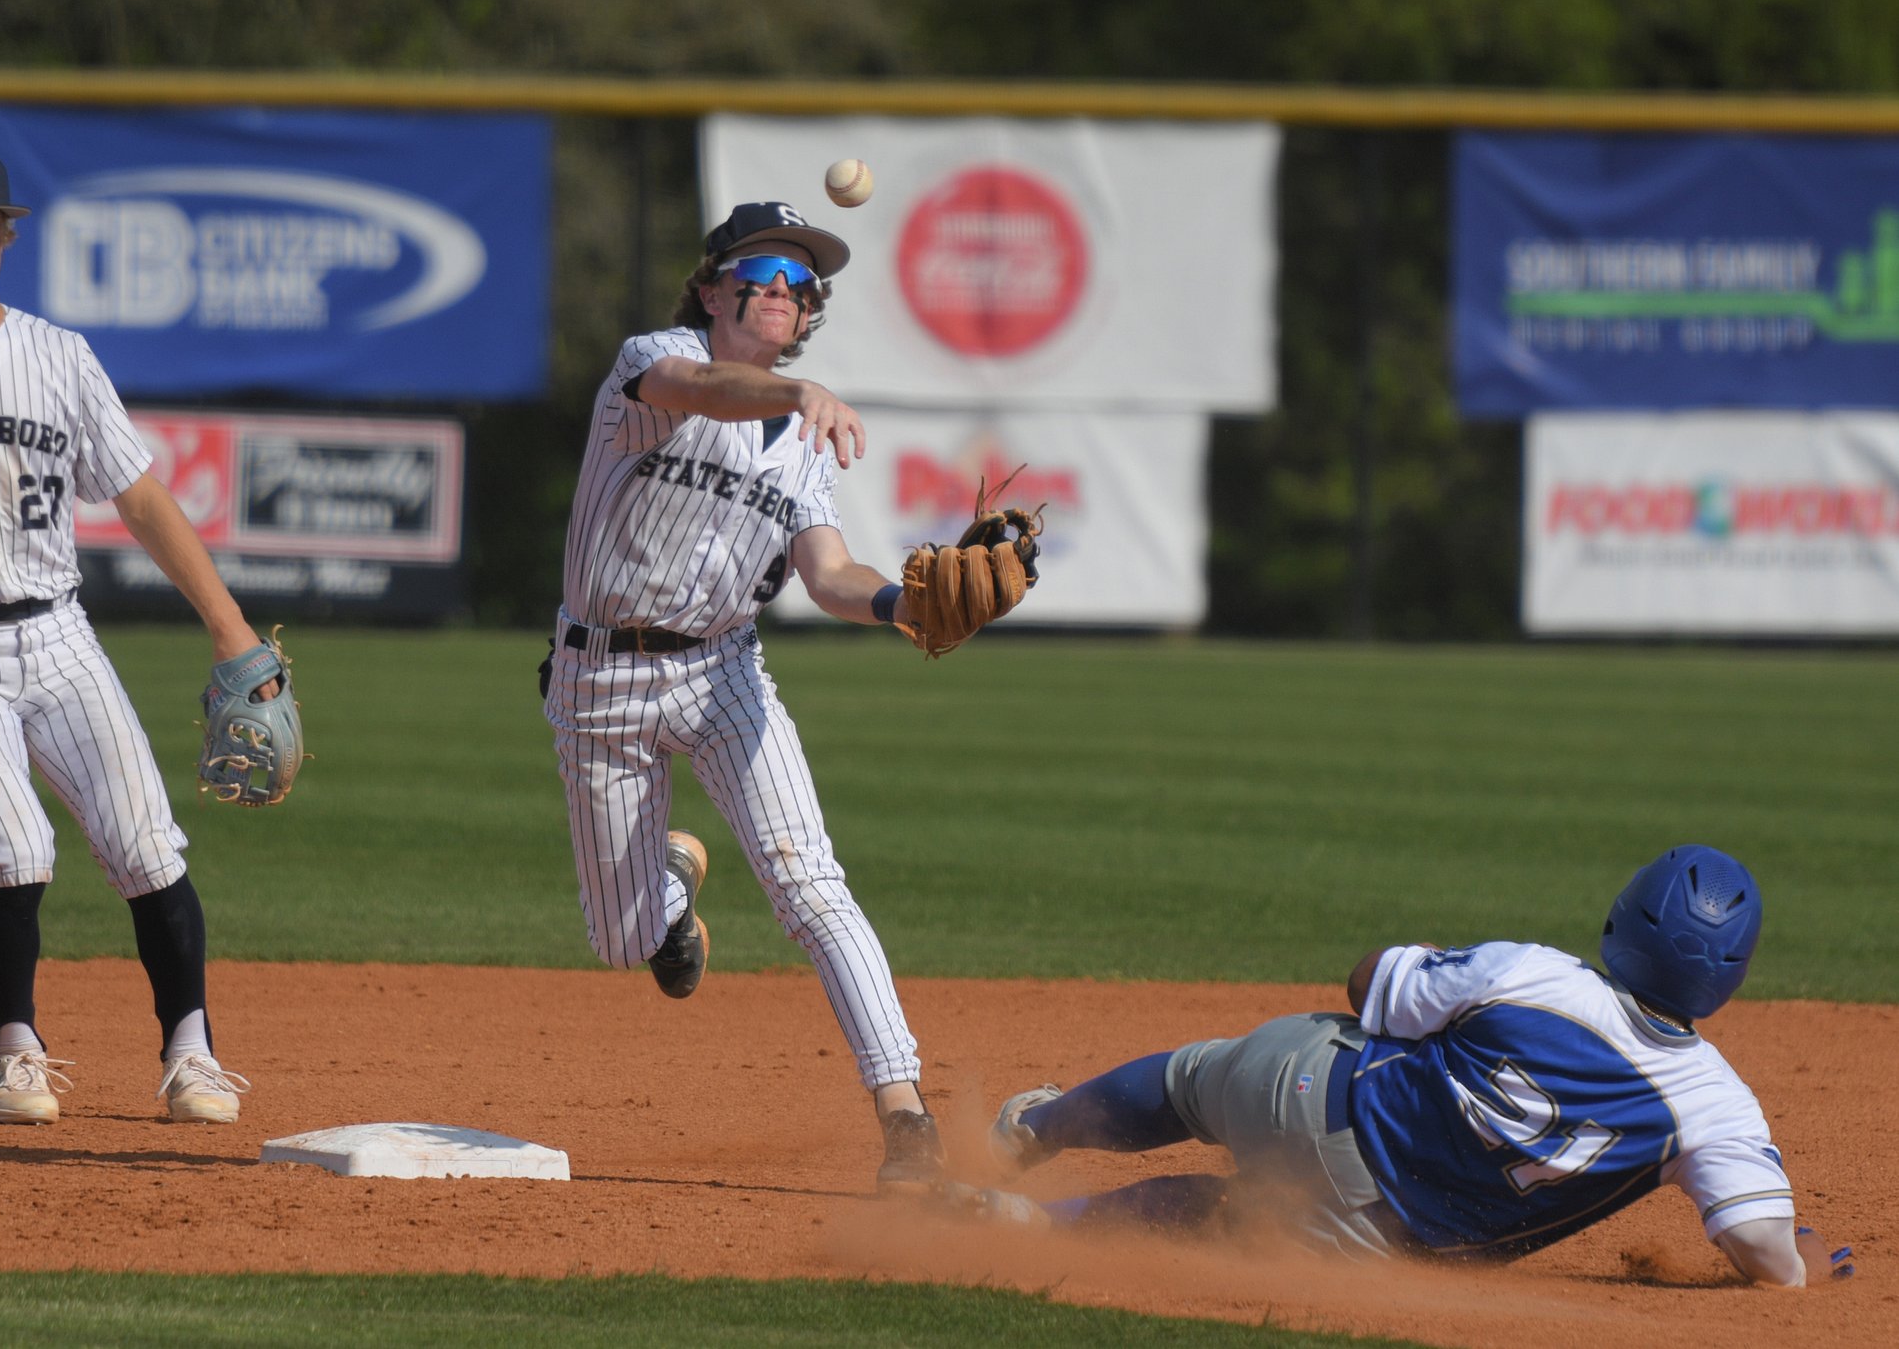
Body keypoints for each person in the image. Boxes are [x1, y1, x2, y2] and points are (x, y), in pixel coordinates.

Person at [542, 201, 943, 1191]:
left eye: (802, 285)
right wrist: (790, 391)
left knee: (811, 887)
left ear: (810, 315)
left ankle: (906, 1121)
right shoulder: (658, 360)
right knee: (623, 940)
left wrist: (904, 604)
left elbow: (828, 573)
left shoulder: (803, 442)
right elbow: (707, 390)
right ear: (715, 289)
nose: (781, 291)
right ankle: (670, 887)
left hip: (723, 672)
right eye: (763, 271)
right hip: (600, 678)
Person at [960, 845, 1853, 1287]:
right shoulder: (1716, 1108)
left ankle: (1028, 1131)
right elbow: (1770, 1260)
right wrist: (1804, 1252)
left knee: (1195, 1080)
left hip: (1305, 1088)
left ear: (1623, 918)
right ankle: (1034, 1223)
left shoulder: (1531, 970)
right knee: (1230, 1216)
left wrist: (1424, 957)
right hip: (1366, 1231)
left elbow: (1365, 986)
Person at [0, 145, 256, 1126]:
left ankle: (193, 1052)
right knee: (15, 847)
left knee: (146, 844)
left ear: (6, 236)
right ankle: (14, 1048)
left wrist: (231, 627)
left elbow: (139, 496)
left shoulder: (57, 355)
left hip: (58, 634)